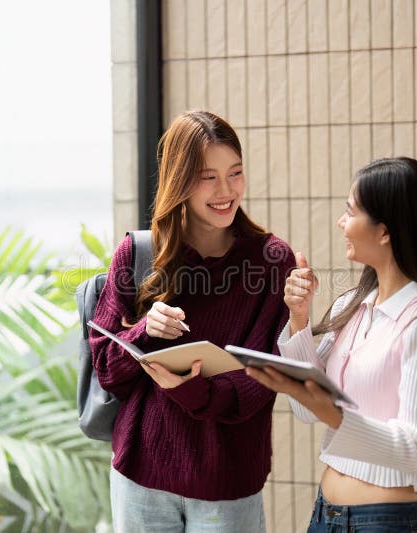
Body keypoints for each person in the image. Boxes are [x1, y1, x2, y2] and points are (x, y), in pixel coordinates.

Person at [246, 157, 417, 533]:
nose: (341, 222)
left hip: (389, 522)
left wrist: (334, 414)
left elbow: (416, 451)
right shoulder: (352, 305)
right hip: (326, 516)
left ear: (384, 232)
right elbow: (306, 411)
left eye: (351, 212)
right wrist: (299, 317)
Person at [89, 110, 296, 532]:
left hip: (227, 482)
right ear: (179, 180)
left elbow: (263, 377)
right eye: (208, 177)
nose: (226, 191)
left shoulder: (271, 260)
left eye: (235, 173)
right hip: (140, 476)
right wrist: (144, 331)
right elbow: (106, 369)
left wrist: (190, 390)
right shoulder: (138, 254)